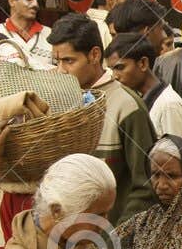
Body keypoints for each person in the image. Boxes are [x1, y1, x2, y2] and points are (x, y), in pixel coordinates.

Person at [49, 13, 157, 223]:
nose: (61, 71)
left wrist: (116, 234)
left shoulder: (126, 106)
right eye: (57, 62)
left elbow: (146, 184)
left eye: (68, 61)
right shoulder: (60, 103)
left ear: (94, 55)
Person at [106, 33, 182, 138]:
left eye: (120, 67)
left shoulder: (169, 105)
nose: (114, 76)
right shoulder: (139, 100)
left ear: (143, 63)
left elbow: (178, 151)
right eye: (112, 69)